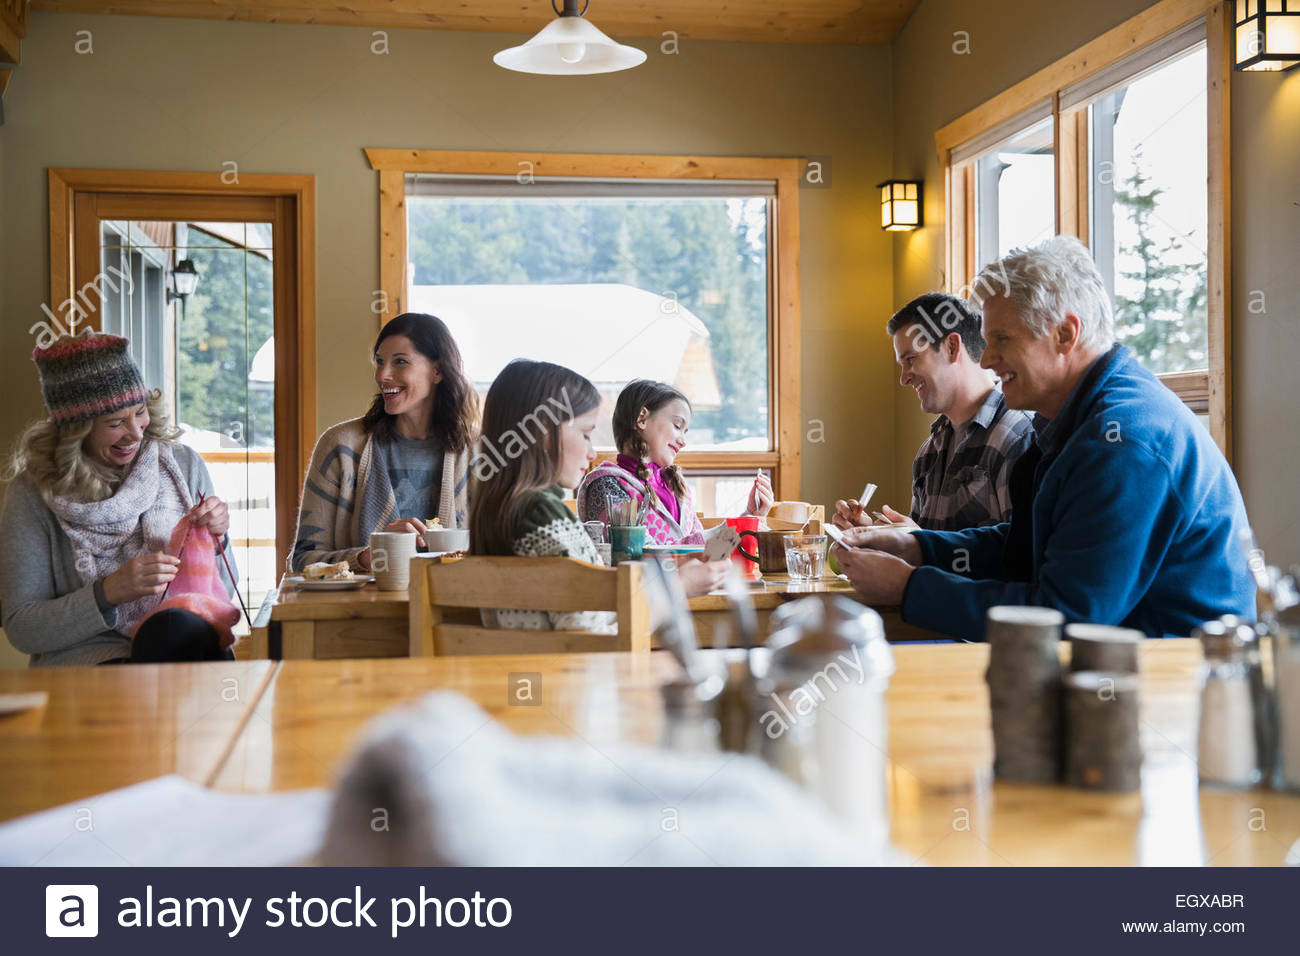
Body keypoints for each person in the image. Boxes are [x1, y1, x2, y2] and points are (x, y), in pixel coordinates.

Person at [832, 236, 1255, 640]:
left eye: (1001, 340)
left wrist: (910, 588)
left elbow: (1067, 618)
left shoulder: (1121, 442)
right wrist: (920, 548)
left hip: (1174, 685)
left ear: (1065, 335)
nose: (987, 358)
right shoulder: (1073, 420)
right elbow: (1025, 546)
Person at [1, 332, 237, 666]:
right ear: (76, 431)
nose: (137, 432)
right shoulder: (32, 494)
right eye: (115, 423)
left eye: (140, 412)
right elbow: (21, 627)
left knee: (179, 632)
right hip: (88, 666)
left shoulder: (184, 465)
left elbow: (222, 594)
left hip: (183, 644)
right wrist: (108, 593)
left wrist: (216, 541)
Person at [290, 313, 478, 572]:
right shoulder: (340, 447)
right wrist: (371, 556)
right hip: (362, 611)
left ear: (438, 371)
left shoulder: (477, 450)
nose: (383, 375)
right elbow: (302, 561)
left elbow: (499, 555)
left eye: (400, 362)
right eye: (379, 362)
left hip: (450, 609)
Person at [837, 293, 1034, 531]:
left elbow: (1019, 558)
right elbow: (918, 557)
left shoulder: (1018, 437)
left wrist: (917, 542)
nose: (903, 379)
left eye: (910, 359)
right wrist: (872, 536)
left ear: (952, 347)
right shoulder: (928, 452)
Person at [468, 359, 618, 632]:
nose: (592, 452)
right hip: (563, 672)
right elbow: (590, 637)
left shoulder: (495, 509)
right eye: (585, 434)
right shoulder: (541, 514)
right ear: (542, 432)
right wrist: (671, 595)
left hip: (517, 670)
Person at [577, 378, 773, 539]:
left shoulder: (675, 487)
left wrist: (750, 518)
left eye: (685, 431)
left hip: (689, 587)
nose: (683, 441)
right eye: (678, 425)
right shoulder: (606, 484)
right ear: (642, 418)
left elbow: (709, 555)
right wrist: (732, 529)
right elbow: (641, 557)